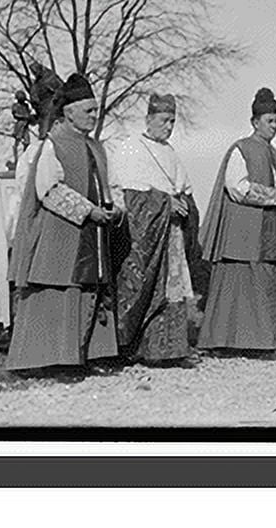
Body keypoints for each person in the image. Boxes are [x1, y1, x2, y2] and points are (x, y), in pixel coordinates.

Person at [6, 74, 122, 379]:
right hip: (60, 233)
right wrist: (87, 210)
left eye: (96, 111)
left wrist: (113, 206)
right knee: (58, 292)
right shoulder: (52, 144)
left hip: (92, 233)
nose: (94, 116)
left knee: (88, 292)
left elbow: (106, 185)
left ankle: (86, 355)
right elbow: (48, 189)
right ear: (68, 111)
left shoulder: (96, 147)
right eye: (88, 110)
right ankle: (53, 359)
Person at [197, 88, 276, 360]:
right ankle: (221, 342)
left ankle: (263, 344)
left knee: (265, 285)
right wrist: (275, 196)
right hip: (241, 229)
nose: (274, 126)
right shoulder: (241, 149)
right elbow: (238, 188)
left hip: (268, 229)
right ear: (255, 122)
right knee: (232, 285)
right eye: (269, 121)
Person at [108, 93, 198, 368]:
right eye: (163, 120)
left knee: (173, 290)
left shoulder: (170, 151)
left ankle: (171, 350)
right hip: (146, 239)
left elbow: (183, 188)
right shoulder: (130, 149)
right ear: (148, 119)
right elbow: (129, 196)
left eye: (172, 121)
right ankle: (140, 348)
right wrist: (164, 203)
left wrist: (182, 202)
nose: (169, 126)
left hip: (171, 234)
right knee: (146, 289)